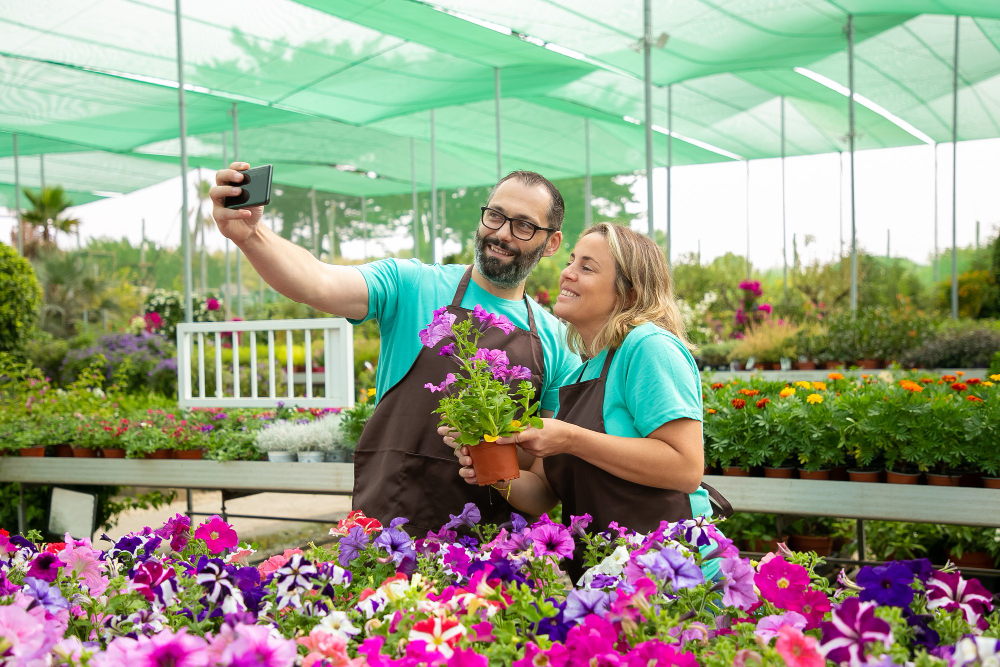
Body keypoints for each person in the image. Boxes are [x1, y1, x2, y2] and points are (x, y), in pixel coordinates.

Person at [210, 165, 582, 536]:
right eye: (495, 215)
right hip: (392, 529)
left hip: (489, 553)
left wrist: (494, 467)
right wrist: (250, 235)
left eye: (523, 225)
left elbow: (543, 490)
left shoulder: (556, 343)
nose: (501, 233)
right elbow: (318, 282)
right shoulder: (413, 285)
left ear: (551, 242)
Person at [447, 222, 730, 580]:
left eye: (587, 267)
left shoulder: (649, 346)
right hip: (607, 575)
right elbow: (543, 493)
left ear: (628, 293)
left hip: (674, 570)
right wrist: (492, 466)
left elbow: (686, 468)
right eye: (571, 261)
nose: (567, 273)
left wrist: (570, 438)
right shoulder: (578, 375)